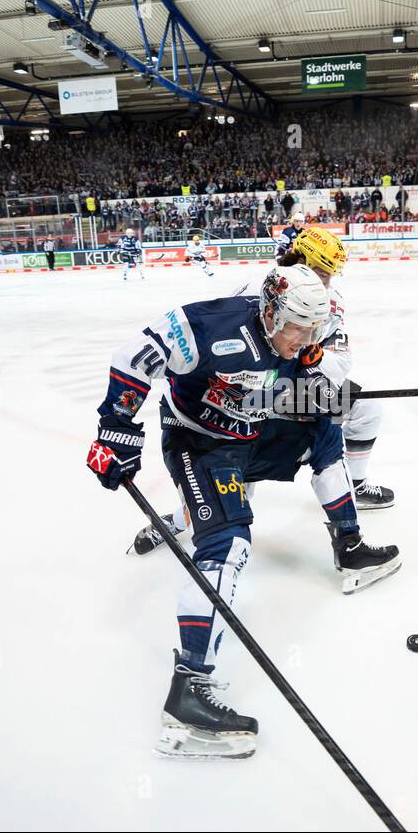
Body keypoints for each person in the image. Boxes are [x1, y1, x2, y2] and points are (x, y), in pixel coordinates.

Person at [86, 251, 399, 760]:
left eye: (311, 330)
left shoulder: (297, 341)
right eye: (298, 328)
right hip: (201, 444)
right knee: (227, 545)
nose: (305, 339)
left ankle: (350, 545)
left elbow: (275, 392)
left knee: (325, 430)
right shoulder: (213, 326)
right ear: (272, 311)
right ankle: (189, 688)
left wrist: (325, 396)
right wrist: (115, 431)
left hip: (250, 433)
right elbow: (135, 356)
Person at [129, 226, 396, 561]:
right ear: (300, 259)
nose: (327, 282)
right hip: (245, 396)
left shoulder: (330, 301)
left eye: (331, 275)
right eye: (322, 272)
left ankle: (353, 490)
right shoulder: (264, 289)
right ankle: (179, 521)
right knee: (235, 480)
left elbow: (341, 361)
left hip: (292, 388)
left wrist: (317, 364)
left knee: (363, 409)